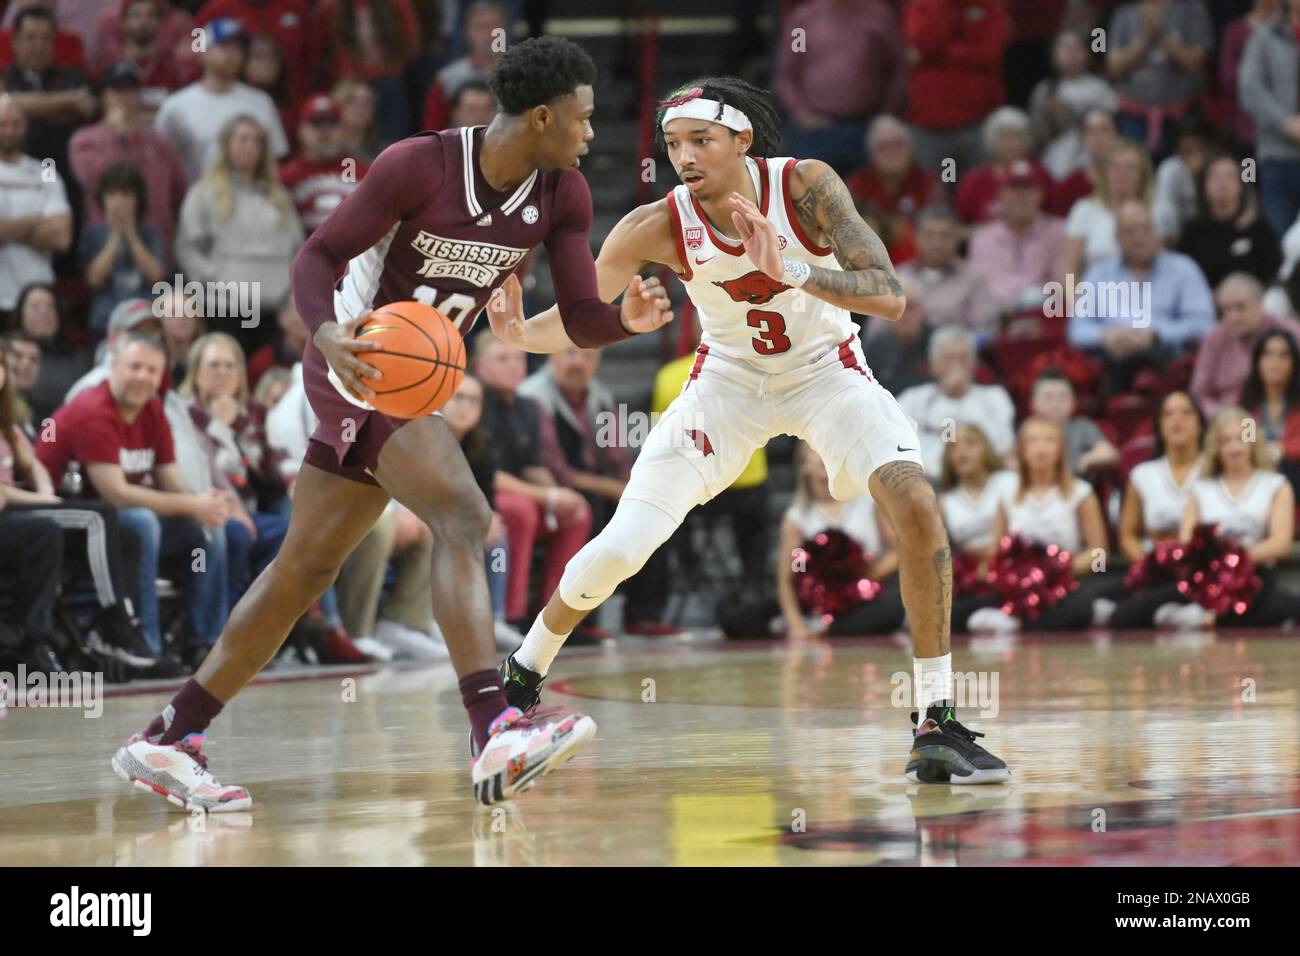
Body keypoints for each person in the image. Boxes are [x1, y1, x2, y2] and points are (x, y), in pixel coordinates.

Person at [111, 37, 672, 811]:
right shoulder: (419, 164)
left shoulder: (563, 194)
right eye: (581, 118)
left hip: (415, 385)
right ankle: (494, 725)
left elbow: (578, 315)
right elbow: (317, 254)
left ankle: (167, 736)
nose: (590, 133)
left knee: (303, 569)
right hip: (359, 359)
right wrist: (324, 332)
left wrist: (623, 322)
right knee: (465, 514)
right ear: (541, 116)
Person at [492, 76, 1010, 785]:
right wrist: (522, 333)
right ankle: (520, 676)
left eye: (701, 140)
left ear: (742, 139)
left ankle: (935, 721)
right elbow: (583, 314)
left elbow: (888, 295)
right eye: (673, 144)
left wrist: (791, 267)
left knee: (916, 502)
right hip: (727, 386)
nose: (685, 156)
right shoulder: (657, 223)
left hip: (827, 373)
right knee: (625, 544)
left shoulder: (805, 187)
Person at [35, 332, 230, 664]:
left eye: (151, 370)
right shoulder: (92, 410)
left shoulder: (153, 410)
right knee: (142, 523)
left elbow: (170, 479)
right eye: (134, 367)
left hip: (115, 521)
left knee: (205, 536)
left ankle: (203, 643)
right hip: (61, 517)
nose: (142, 377)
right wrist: (192, 504)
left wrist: (204, 505)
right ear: (113, 366)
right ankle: (146, 643)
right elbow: (117, 493)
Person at [519, 345, 680, 636]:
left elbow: (615, 456)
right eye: (569, 354)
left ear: (597, 362)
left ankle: (642, 614)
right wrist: (612, 488)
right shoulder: (534, 396)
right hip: (544, 488)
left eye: (588, 356)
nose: (578, 362)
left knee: (652, 511)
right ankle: (578, 621)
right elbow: (556, 470)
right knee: (590, 509)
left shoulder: (599, 394)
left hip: (590, 486)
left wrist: (642, 486)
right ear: (551, 355)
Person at [723, 441, 904, 639]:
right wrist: (796, 624)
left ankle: (828, 629)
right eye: (815, 450)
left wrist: (864, 577)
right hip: (814, 601)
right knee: (736, 617)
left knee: (893, 607)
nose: (823, 457)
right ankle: (810, 625)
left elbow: (898, 551)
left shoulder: (868, 501)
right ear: (803, 462)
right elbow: (789, 576)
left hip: (861, 596)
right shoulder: (797, 518)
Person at [960, 416, 1115, 633]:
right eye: (1033, 441)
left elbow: (1099, 553)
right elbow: (995, 550)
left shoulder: (1081, 493)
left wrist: (1058, 571)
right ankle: (1016, 616)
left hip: (1063, 583)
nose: (1041, 447)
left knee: (1079, 608)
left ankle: (1016, 622)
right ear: (1022, 450)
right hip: (1019, 586)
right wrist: (1002, 576)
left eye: (1050, 440)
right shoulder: (1007, 495)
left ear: (1061, 449)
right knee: (958, 613)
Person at [174, 114, 304, 350]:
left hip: (274, 308)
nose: (251, 147)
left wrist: (290, 290)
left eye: (257, 141)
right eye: (243, 139)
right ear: (226, 145)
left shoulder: (278, 196)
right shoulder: (204, 193)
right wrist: (218, 277)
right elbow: (188, 248)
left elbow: (298, 248)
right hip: (223, 307)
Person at [1167, 406, 1298, 628]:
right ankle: (1198, 613)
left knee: (1273, 603)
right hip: (1207, 576)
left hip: (1255, 574)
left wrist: (1235, 557)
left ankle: (1208, 617)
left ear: (1253, 442)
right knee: (1126, 615)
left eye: (1241, 438)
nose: (1234, 447)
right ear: (1216, 447)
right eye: (1226, 440)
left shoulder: (1275, 485)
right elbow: (1187, 542)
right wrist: (1215, 562)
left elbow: (1281, 543)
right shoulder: (1200, 489)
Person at [1069, 200, 1216, 394]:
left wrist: (1155, 335)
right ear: (1117, 238)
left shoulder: (1184, 269)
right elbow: (1076, 330)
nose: (1139, 238)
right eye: (1130, 231)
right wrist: (1106, 336)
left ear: (1157, 232)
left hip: (1169, 364)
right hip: (1112, 364)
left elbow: (1204, 325)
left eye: (1146, 229)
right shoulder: (1098, 274)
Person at [68, 60, 188, 260]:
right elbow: (93, 182)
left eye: (131, 90)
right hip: (108, 253)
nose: (125, 98)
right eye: (117, 91)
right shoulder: (84, 140)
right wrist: (118, 138)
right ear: (103, 97)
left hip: (158, 248)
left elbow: (179, 192)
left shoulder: (157, 141)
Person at [152, 17, 288, 183]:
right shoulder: (176, 106)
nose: (232, 54)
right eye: (223, 46)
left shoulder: (261, 102)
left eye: (238, 48)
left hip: (251, 199)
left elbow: (273, 159)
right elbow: (161, 160)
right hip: (198, 200)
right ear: (203, 52)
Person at [1111, 389, 1205, 628]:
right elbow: (1127, 535)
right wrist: (1150, 564)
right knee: (1120, 616)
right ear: (1159, 426)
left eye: (1186, 413)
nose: (1177, 420)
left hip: (1204, 571)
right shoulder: (1143, 474)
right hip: (1157, 571)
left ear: (1200, 424)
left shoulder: (1213, 471)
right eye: (1168, 414)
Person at [897, 325, 1017, 477]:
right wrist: (946, 396)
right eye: (948, 358)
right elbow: (900, 447)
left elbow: (1003, 445)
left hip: (986, 477)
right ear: (933, 364)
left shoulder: (995, 397)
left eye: (963, 358)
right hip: (928, 481)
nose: (956, 365)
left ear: (974, 363)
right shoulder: (912, 399)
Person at [1104, 0, 1213, 161]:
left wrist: (1163, 36)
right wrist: (1144, 39)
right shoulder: (1124, 13)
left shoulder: (1193, 9)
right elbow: (1113, 67)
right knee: (1134, 173)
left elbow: (1196, 63)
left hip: (1182, 117)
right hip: (1133, 116)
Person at [936, 424, 1017, 633]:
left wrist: (993, 557)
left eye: (970, 444)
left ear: (986, 449)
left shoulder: (1010, 482)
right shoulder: (945, 501)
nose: (961, 452)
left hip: (1011, 564)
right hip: (971, 575)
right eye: (954, 447)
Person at [0, 95, 72, 317]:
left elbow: (61, 237)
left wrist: (7, 230)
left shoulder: (46, 169)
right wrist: (37, 222)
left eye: (16, 124)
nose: (9, 131)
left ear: (26, 126)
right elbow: (49, 229)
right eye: (2, 124)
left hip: (37, 297)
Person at [1191, 273, 1300, 417]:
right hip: (1228, 423)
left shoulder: (1290, 332)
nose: (1233, 317)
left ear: (1260, 302)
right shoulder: (1214, 338)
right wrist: (1223, 415)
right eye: (1226, 309)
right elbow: (1199, 395)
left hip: (1284, 416)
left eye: (1240, 307)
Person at [966, 159, 1065, 315]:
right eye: (1014, 189)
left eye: (1027, 189)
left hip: (1042, 312)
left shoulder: (1059, 232)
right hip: (996, 317)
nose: (1020, 197)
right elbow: (978, 290)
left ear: (1040, 194)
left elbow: (1064, 284)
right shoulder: (983, 239)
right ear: (1001, 195)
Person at [79, 161, 165, 336]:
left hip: (145, 318)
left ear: (137, 199)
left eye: (126, 194)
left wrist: (131, 234)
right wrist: (116, 235)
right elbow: (94, 279)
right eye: (112, 194)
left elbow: (157, 277)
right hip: (104, 319)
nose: (118, 201)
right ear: (102, 198)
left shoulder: (149, 233)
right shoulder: (92, 233)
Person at [1239, 0, 1300, 238]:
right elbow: (1249, 88)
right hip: (1276, 156)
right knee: (1278, 241)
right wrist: (1286, 123)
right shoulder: (1264, 36)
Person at [1178, 155, 1282, 289]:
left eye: (1229, 176)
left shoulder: (1258, 229)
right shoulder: (1192, 233)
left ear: (1241, 186)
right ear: (1203, 187)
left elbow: (1273, 273)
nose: (1222, 183)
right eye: (1215, 177)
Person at [895, 205, 997, 338]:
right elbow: (877, 334)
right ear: (916, 238)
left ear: (957, 239)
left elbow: (986, 330)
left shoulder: (974, 277)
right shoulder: (897, 276)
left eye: (945, 235)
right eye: (929, 235)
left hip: (955, 353)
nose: (937, 243)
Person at [1029, 30, 1118, 181]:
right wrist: (1051, 118)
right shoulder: (1046, 89)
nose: (1072, 54)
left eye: (1077, 48)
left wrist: (1073, 113)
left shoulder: (1100, 87)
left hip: (1093, 157)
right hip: (1057, 159)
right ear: (1054, 55)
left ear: (1086, 53)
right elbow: (1037, 135)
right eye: (1065, 48)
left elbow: (1110, 125)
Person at [279, 93, 370, 235]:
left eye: (332, 123)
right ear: (301, 130)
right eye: (317, 123)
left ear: (344, 129)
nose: (325, 131)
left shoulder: (365, 173)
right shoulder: (286, 177)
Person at [1239, 329, 1300, 496]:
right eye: (1268, 355)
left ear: (1294, 363)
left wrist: (1282, 449)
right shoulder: (1248, 405)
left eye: (1283, 356)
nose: (1275, 362)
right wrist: (1263, 452)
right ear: (1257, 361)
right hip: (1255, 482)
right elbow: (1246, 442)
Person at [1029, 367, 1119, 475]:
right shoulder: (1027, 430)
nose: (1056, 404)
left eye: (1063, 397)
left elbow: (1109, 453)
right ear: (1033, 403)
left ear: (1073, 402)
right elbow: (1013, 462)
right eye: (1049, 397)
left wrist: (1084, 461)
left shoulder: (1082, 426)